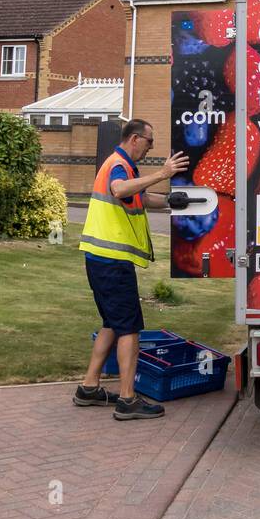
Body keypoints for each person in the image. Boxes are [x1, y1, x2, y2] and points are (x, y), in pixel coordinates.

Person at [73, 118, 188, 421]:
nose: (151, 148)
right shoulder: (118, 166)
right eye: (150, 142)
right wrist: (163, 173)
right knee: (129, 328)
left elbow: (138, 196)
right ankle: (127, 399)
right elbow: (120, 189)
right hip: (111, 261)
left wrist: (171, 202)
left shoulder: (123, 165)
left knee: (112, 323)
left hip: (101, 259)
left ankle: (88, 387)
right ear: (135, 139)